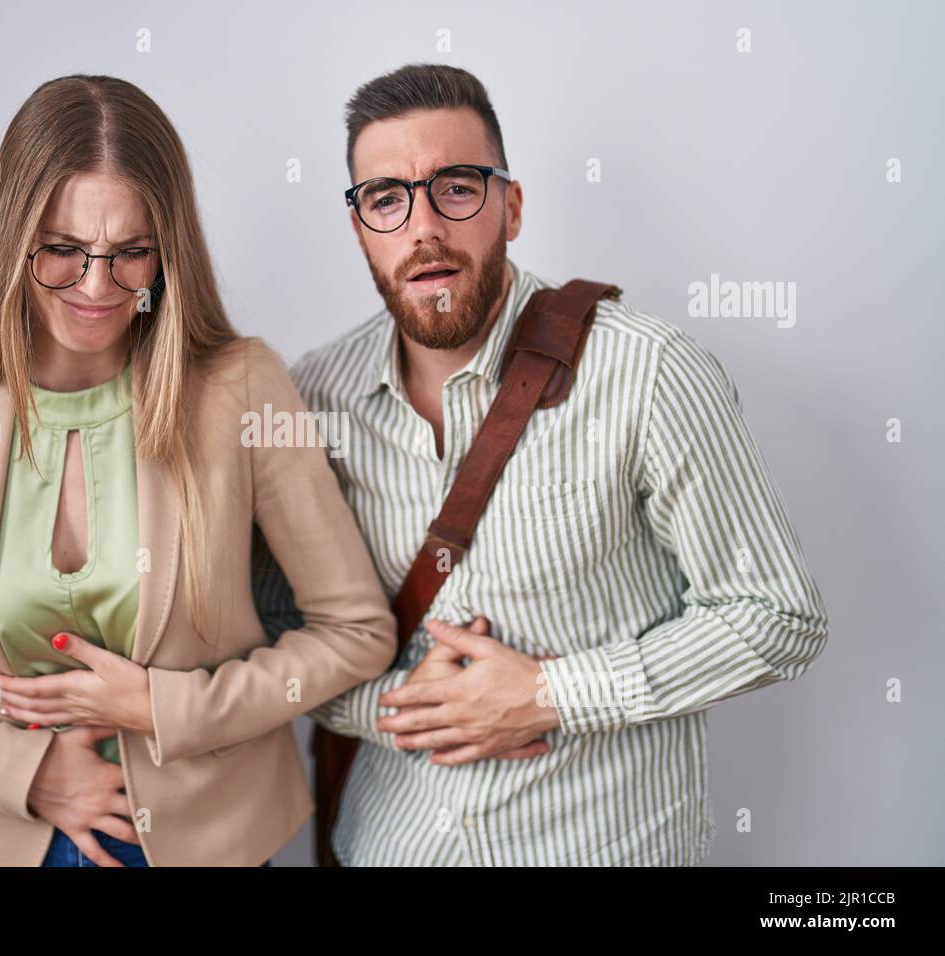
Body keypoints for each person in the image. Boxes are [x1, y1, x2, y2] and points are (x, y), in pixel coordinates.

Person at [0, 73, 396, 867]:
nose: (96, 287)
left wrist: (166, 706)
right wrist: (24, 771)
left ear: (168, 249)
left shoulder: (242, 388)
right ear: (12, 238)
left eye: (131, 255)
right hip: (12, 844)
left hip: (215, 844)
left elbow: (355, 634)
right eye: (61, 250)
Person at [254, 63, 829, 866]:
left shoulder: (652, 374)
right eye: (386, 198)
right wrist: (404, 706)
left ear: (511, 207)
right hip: (391, 845)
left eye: (457, 187)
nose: (423, 227)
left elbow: (776, 616)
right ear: (360, 230)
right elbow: (275, 625)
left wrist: (549, 696)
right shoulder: (310, 396)